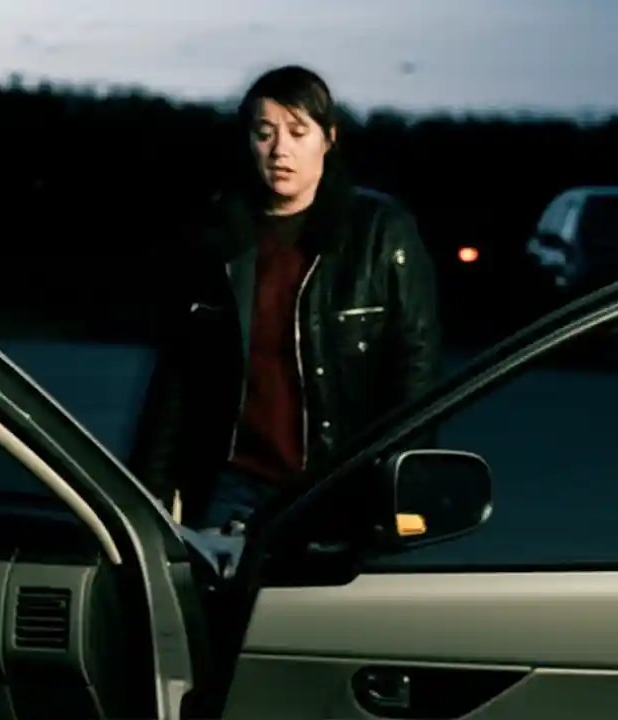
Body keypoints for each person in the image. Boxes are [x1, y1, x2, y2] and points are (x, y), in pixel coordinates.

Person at [130, 64, 441, 537]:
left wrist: (395, 483)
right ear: (248, 141)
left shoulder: (378, 231)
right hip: (234, 485)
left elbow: (416, 368)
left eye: (298, 132)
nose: (281, 150)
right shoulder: (219, 239)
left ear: (328, 138)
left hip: (337, 487)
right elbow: (177, 375)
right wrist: (152, 487)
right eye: (265, 133)